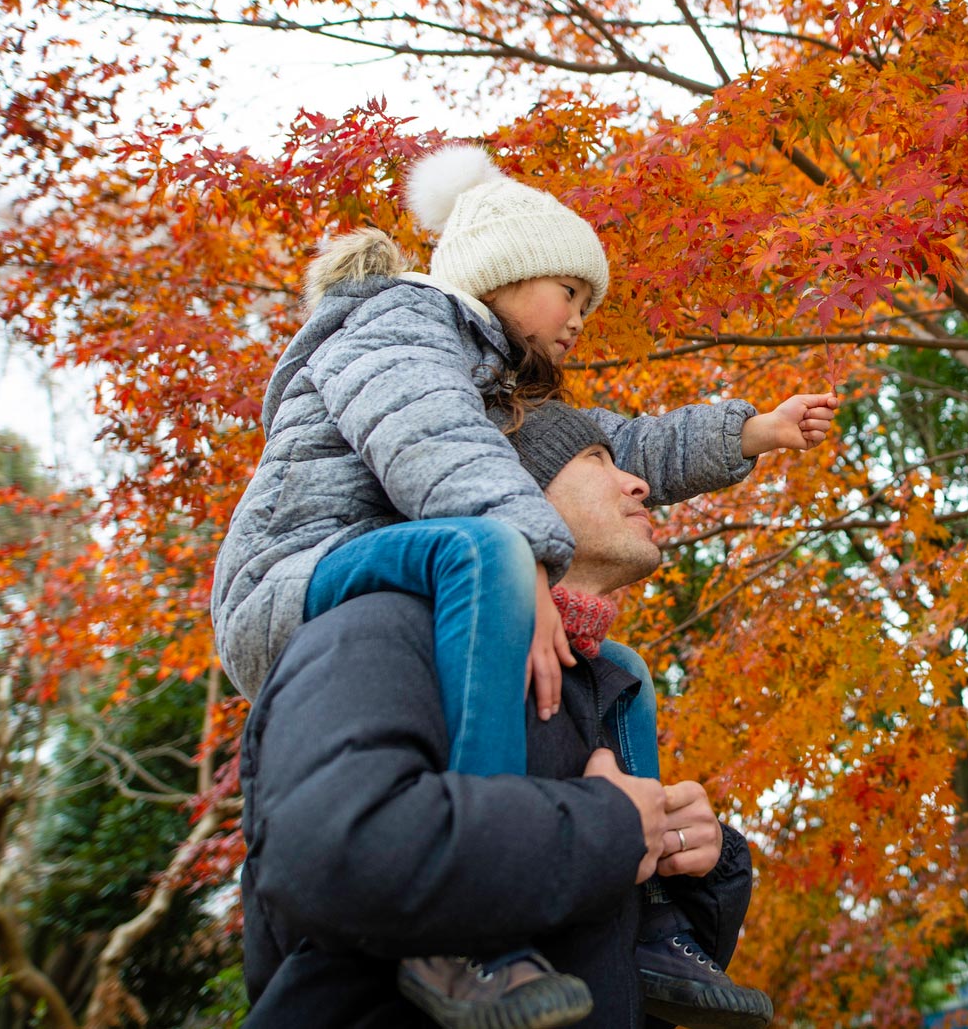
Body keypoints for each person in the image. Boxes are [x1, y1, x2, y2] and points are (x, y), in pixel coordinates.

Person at [212, 145, 830, 1028]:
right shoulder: (405, 326)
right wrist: (530, 554)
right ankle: (469, 930)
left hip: (405, 558)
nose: (580, 315)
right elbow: (431, 439)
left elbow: (637, 442)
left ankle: (654, 922)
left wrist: (749, 432)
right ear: (501, 273)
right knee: (487, 555)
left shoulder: (498, 400)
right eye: (569, 291)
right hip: (299, 571)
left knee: (619, 666)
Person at [240, 406, 769, 1028]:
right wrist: (614, 826)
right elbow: (336, 857)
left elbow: (609, 974)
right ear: (513, 489)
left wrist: (695, 866)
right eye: (598, 460)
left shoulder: (601, 689)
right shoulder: (379, 630)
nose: (638, 483)